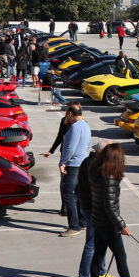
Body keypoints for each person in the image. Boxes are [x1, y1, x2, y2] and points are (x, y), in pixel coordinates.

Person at [87, 143, 139, 277]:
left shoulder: (96, 171)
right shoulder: (109, 177)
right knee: (120, 255)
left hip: (98, 220)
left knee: (98, 256)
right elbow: (109, 205)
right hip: (108, 223)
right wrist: (121, 225)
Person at [75, 141, 117, 277]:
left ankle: (101, 272)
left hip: (91, 207)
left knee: (101, 240)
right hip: (92, 209)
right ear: (102, 151)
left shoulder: (92, 161)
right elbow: (93, 190)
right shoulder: (92, 165)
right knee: (91, 243)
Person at [59, 102, 91, 238]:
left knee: (68, 194)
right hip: (83, 163)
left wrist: (63, 162)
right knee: (78, 194)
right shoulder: (86, 125)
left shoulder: (74, 127)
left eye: (67, 114)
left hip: (73, 165)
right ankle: (83, 222)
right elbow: (88, 145)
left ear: (70, 114)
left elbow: (70, 148)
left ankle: (74, 226)